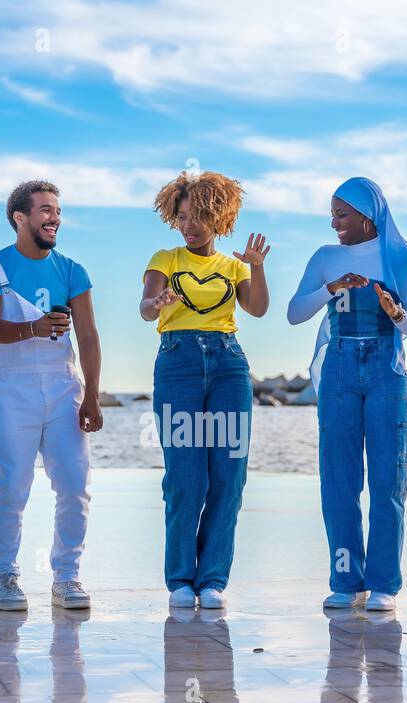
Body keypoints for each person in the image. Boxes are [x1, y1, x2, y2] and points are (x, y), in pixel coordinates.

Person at [287, 177, 407, 612]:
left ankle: (384, 584)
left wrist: (396, 312)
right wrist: (331, 288)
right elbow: (294, 313)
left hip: (387, 371)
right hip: (340, 372)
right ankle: (347, 580)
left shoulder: (400, 256)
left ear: (369, 216)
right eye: (332, 214)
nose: (334, 223)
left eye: (342, 215)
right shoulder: (326, 258)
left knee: (389, 481)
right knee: (339, 480)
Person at [140, 171, 269, 609]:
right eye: (182, 217)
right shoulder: (166, 258)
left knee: (228, 476)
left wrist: (256, 265)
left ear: (220, 217)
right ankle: (180, 579)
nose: (189, 226)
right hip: (177, 364)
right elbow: (144, 308)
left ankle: (212, 579)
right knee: (184, 477)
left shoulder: (233, 267)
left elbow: (256, 308)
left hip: (229, 367)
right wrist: (157, 304)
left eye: (198, 217)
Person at [0, 180, 104, 612]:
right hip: (11, 388)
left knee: (74, 485)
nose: (54, 218)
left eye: (58, 211)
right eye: (45, 210)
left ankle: (67, 577)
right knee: (12, 485)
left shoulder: (72, 269)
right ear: (20, 218)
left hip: (63, 385)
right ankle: (4, 576)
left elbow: (87, 336)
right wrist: (34, 327)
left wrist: (93, 396)